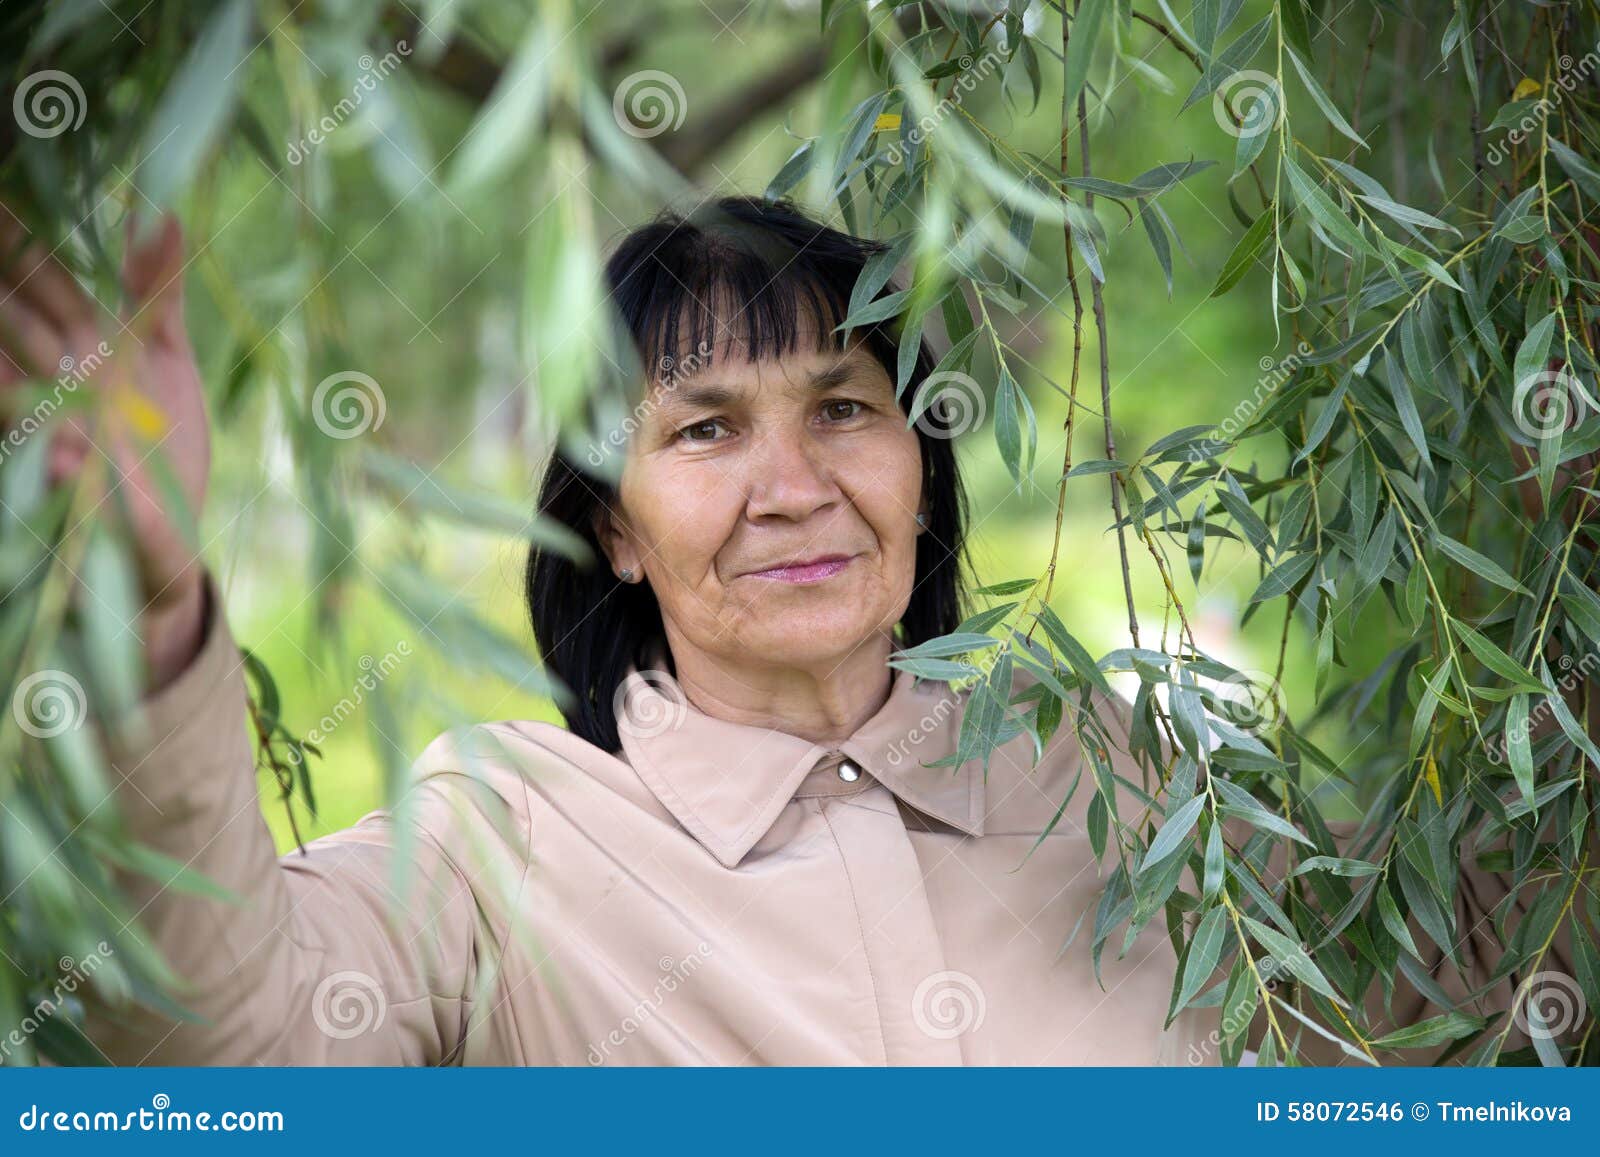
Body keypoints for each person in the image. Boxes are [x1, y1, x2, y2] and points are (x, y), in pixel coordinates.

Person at [0, 197, 1580, 1066]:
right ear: (610, 521)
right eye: (704, 433)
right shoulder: (493, 845)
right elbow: (210, 1048)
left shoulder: (1131, 775)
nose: (795, 485)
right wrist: (146, 603)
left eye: (844, 409)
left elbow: (1481, 993)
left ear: (921, 466)